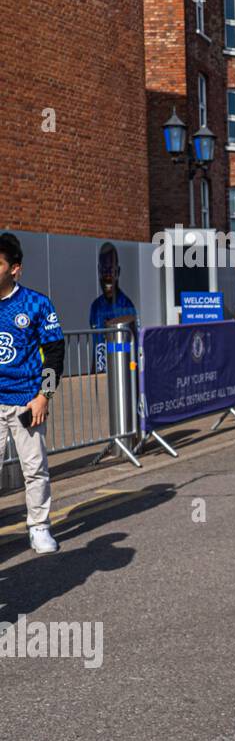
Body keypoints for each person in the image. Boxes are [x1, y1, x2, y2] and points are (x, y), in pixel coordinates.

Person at [0, 233, 65, 554]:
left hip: (26, 400)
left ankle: (39, 527)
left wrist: (44, 396)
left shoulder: (36, 304)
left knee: (34, 469)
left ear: (15, 269)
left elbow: (55, 352)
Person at [88, 242, 136, 373]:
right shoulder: (95, 307)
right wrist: (93, 375)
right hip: (100, 373)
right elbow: (95, 347)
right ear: (99, 271)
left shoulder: (127, 306)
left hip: (120, 373)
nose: (108, 276)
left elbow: (130, 347)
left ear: (118, 272)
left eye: (111, 271)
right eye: (104, 271)